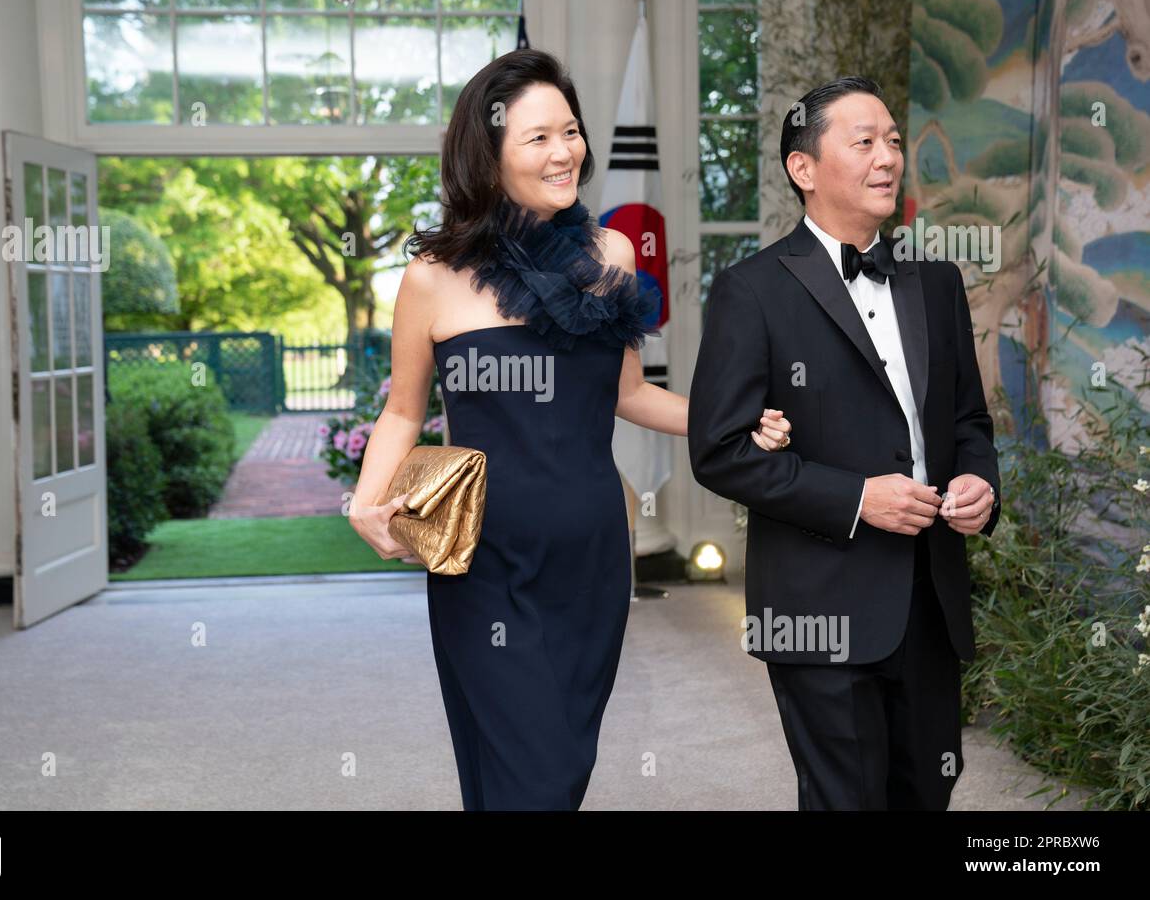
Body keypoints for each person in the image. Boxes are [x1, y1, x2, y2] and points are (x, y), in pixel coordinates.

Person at [348, 48, 793, 810]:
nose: (565, 152)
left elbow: (628, 393)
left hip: (591, 552)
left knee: (559, 765)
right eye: (539, 137)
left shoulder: (609, 253)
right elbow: (402, 410)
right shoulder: (430, 276)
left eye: (572, 132)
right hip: (481, 557)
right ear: (487, 154)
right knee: (535, 773)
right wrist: (365, 500)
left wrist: (731, 417)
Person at [688, 76, 1001, 810]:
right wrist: (858, 497)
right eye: (864, 142)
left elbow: (968, 424)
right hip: (816, 603)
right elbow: (720, 449)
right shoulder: (752, 291)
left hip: (929, 598)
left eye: (893, 140)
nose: (888, 156)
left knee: (927, 794)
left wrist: (980, 484)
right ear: (805, 169)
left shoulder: (938, 283)